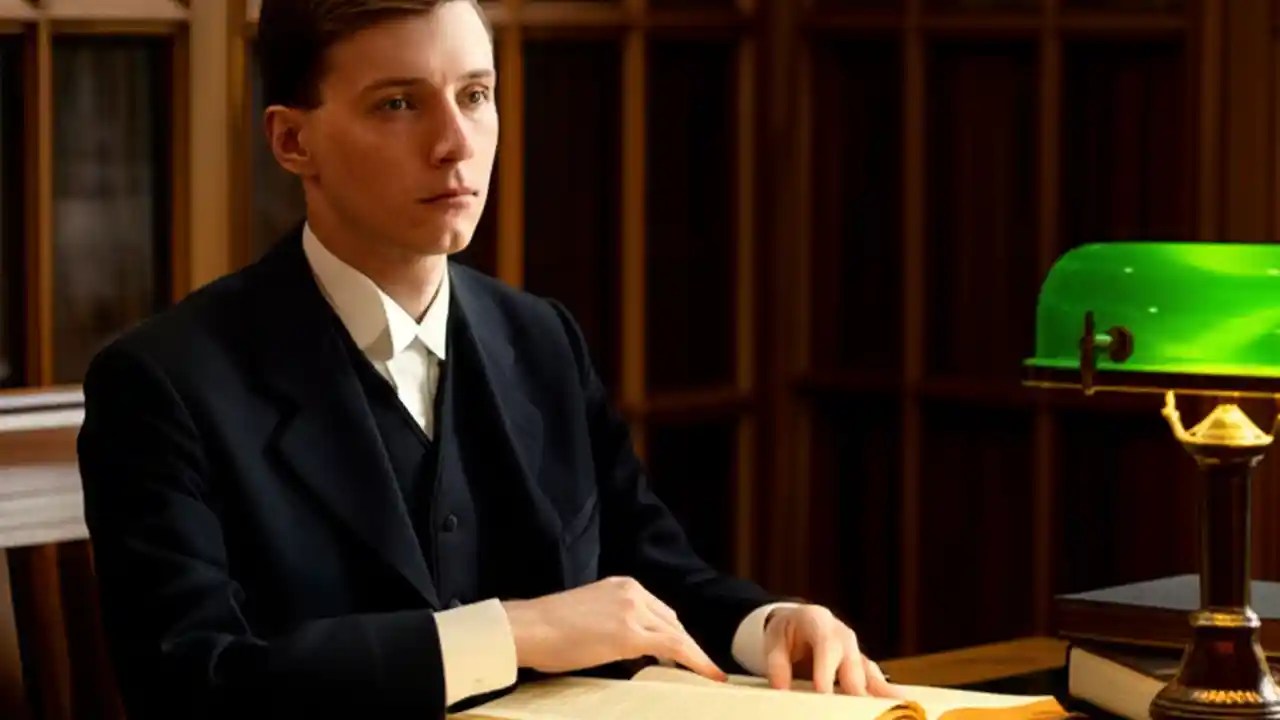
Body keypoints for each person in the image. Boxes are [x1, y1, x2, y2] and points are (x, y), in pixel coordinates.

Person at [76, 0, 898, 717]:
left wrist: (770, 626)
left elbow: (651, 578)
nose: (454, 143)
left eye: (476, 96)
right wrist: (516, 632)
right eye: (399, 104)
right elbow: (191, 686)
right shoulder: (164, 384)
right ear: (293, 140)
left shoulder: (541, 338)